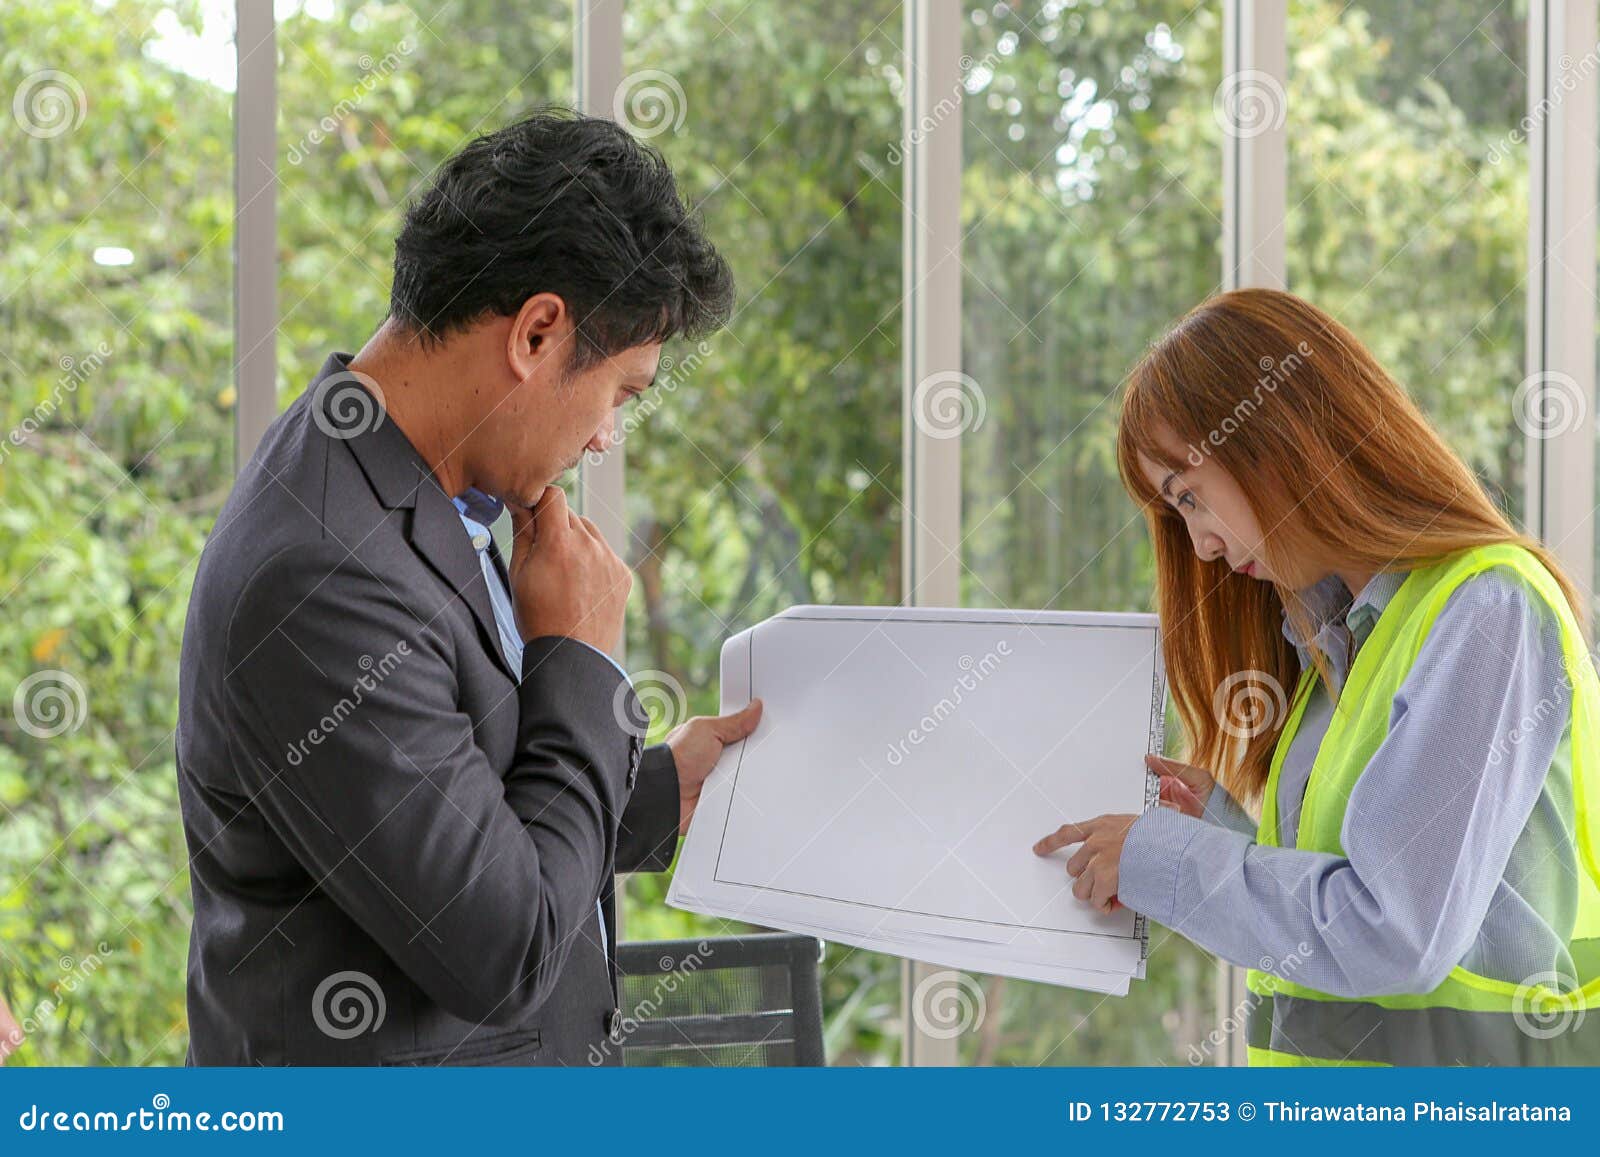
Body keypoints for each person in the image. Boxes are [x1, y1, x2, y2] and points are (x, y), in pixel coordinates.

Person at [177, 109, 761, 1065]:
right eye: (623, 391)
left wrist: (656, 791)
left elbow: (455, 813)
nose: (609, 435)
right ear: (537, 332)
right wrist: (579, 657)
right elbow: (502, 945)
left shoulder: (423, 484)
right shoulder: (324, 570)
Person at [1033, 288, 1599, 1066]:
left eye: (1189, 496)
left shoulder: (1487, 609)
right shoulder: (1338, 649)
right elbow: (1349, 910)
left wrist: (1167, 860)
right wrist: (1220, 828)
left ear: (1279, 441)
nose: (1198, 545)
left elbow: (1393, 931)